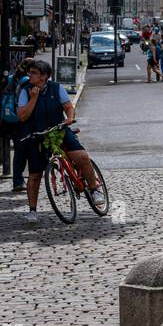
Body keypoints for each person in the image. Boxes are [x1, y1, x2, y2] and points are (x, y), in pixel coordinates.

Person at [17, 59, 99, 224]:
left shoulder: (56, 88)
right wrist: (33, 98)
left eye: (34, 73)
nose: (29, 75)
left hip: (59, 131)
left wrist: (69, 118)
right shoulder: (25, 91)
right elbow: (22, 116)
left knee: (82, 157)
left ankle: (94, 189)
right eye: (30, 72)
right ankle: (32, 210)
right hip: (38, 135)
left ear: (44, 76)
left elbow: (68, 106)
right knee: (34, 175)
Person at [5, 58, 34, 192]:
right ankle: (26, 180)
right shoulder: (27, 81)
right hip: (24, 118)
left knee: (18, 151)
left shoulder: (12, 78)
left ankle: (17, 180)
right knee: (28, 151)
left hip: (12, 118)